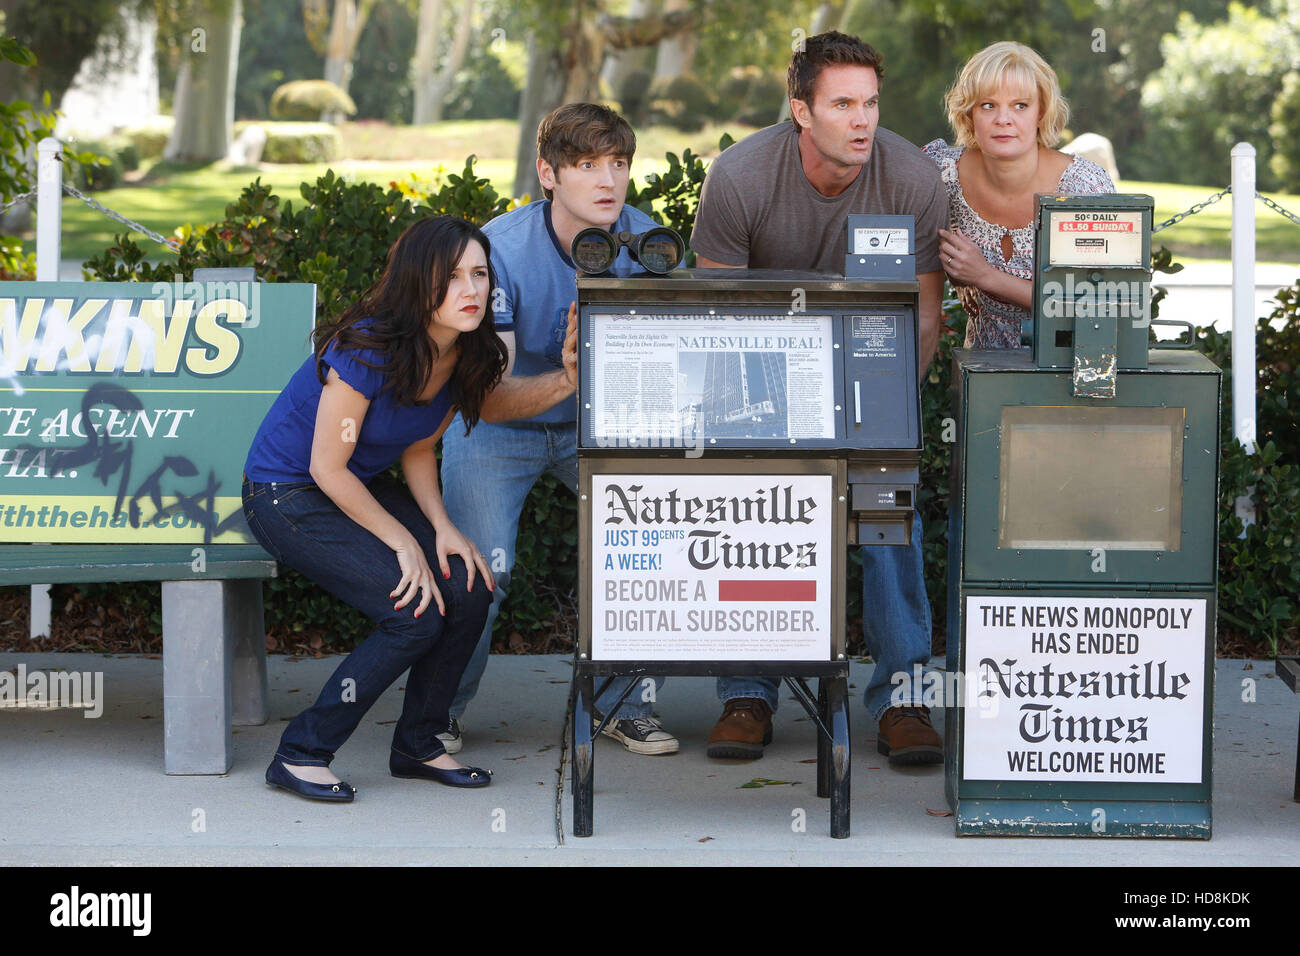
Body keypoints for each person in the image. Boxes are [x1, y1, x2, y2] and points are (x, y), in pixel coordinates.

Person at [691, 30, 947, 764]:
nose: (862, 119)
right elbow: (718, 322)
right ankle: (747, 692)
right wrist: (764, 424)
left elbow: (924, 317)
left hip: (875, 376)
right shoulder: (740, 176)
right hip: (761, 382)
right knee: (751, 516)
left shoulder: (909, 178)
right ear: (801, 110)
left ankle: (903, 701)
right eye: (842, 104)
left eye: (870, 102)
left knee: (890, 514)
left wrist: (883, 416)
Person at [243, 215, 513, 802]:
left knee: (468, 584)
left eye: (480, 274)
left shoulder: (466, 353)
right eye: (452, 277)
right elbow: (326, 468)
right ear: (420, 283)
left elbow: (416, 447)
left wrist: (443, 529)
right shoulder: (366, 348)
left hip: (351, 488)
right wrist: (404, 542)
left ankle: (418, 741)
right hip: (287, 493)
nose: (471, 291)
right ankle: (301, 753)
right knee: (413, 614)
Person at [439, 103, 678, 756]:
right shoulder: (497, 253)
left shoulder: (649, 243)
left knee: (644, 553)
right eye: (585, 165)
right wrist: (573, 374)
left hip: (603, 426)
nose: (608, 181)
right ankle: (438, 709)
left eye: (619, 164)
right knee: (481, 568)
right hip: (501, 426)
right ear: (547, 173)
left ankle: (624, 704)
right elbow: (485, 400)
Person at [923, 40, 1115, 349]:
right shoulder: (942, 174)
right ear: (969, 112)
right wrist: (953, 271)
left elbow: (1097, 305)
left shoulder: (1082, 187)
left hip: (1073, 363)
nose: (1003, 119)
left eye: (1020, 106)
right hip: (983, 367)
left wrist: (984, 276)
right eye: (988, 105)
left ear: (1041, 113)